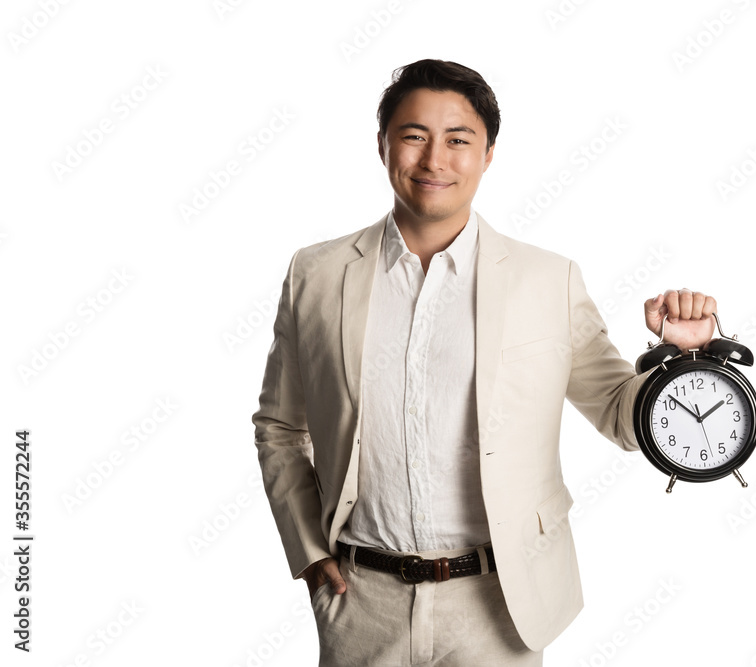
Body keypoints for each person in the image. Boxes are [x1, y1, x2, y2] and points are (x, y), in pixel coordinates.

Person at [252, 58, 718, 666]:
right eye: (414, 135)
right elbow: (280, 427)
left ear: (488, 153)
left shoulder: (548, 280)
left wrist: (681, 363)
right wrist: (308, 551)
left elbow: (619, 415)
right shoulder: (315, 273)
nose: (434, 159)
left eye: (458, 140)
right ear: (383, 144)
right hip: (360, 603)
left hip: (499, 607)